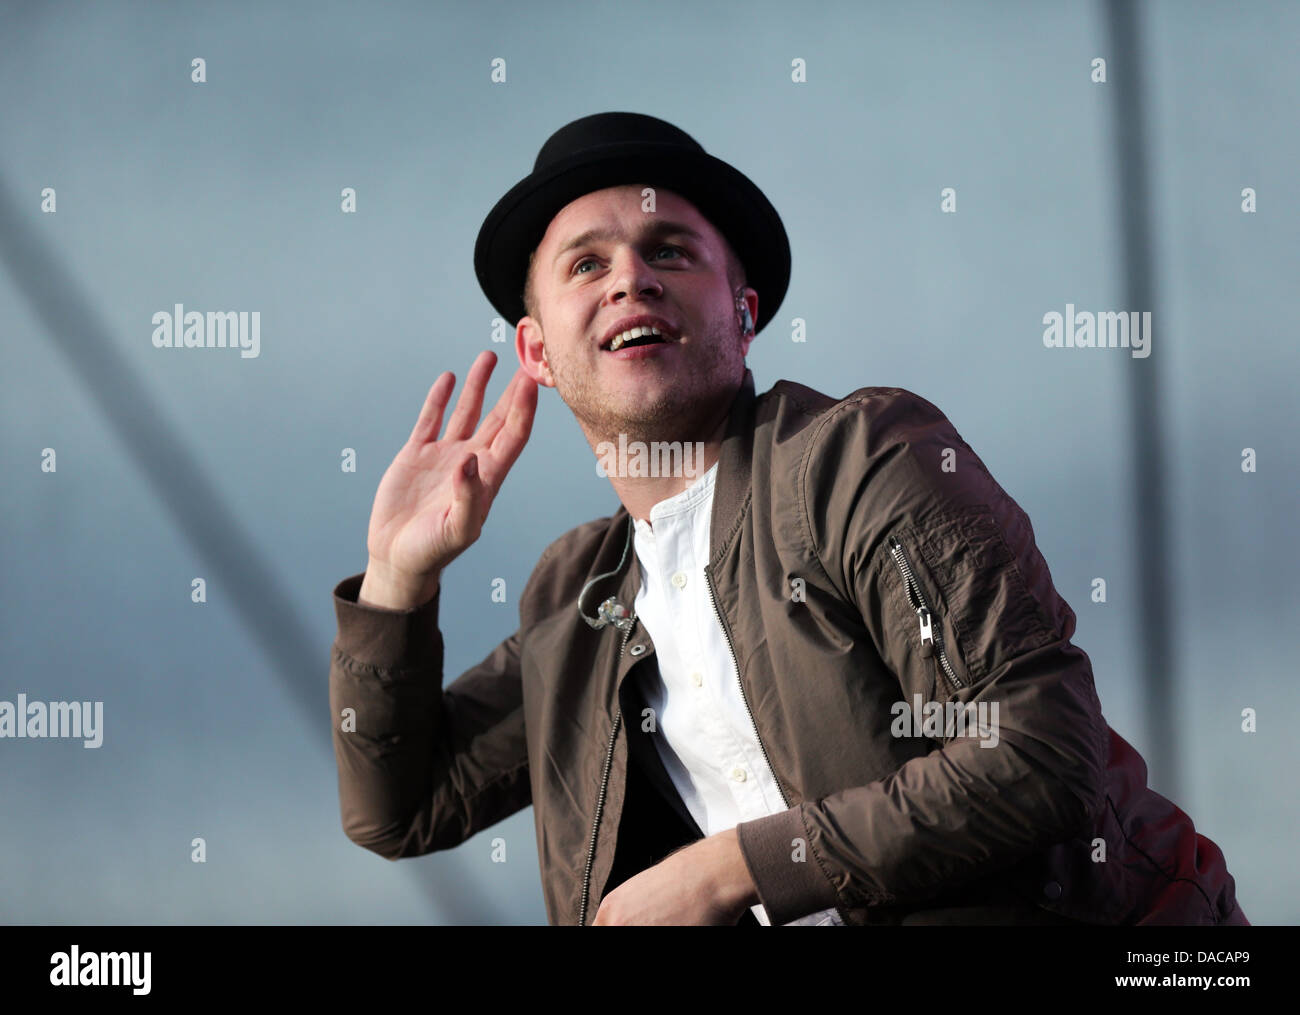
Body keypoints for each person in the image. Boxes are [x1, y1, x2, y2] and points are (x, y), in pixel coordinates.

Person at [328, 111, 1248, 927]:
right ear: (537, 351)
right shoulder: (575, 596)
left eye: (671, 251)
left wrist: (728, 871)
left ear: (745, 310)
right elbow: (400, 809)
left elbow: (1040, 751)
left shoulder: (863, 458)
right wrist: (398, 579)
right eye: (586, 263)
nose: (631, 280)